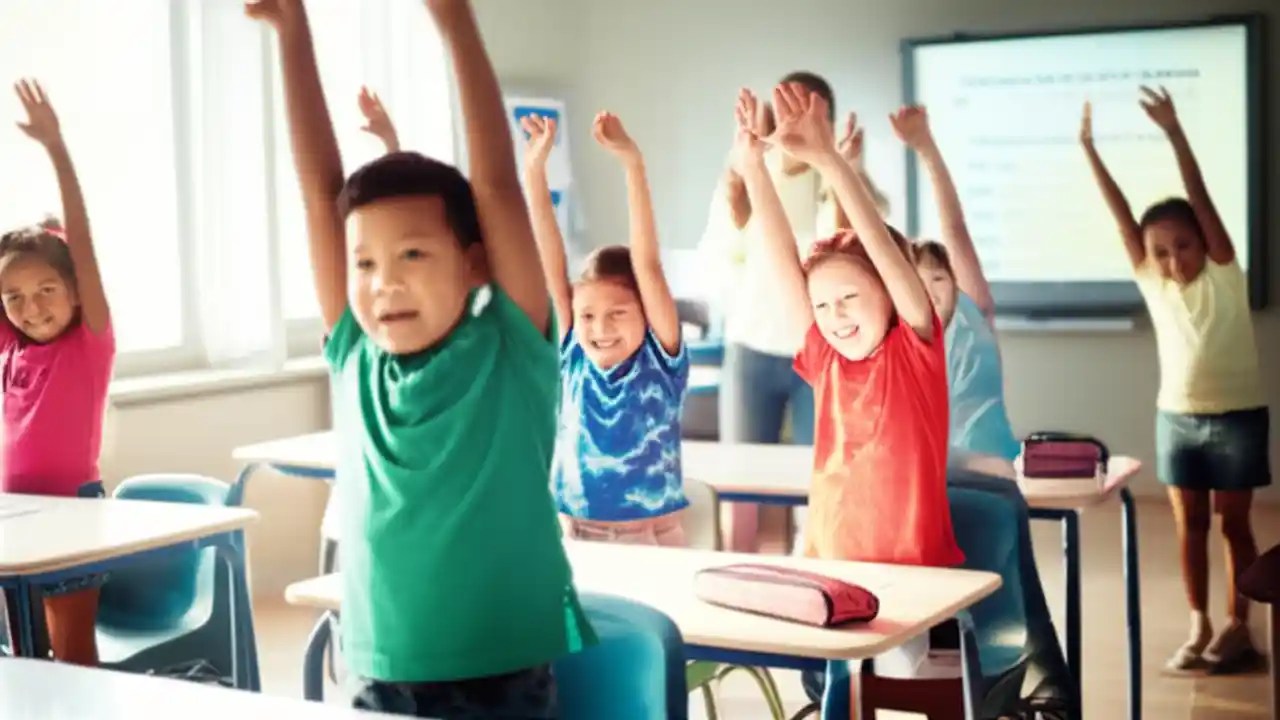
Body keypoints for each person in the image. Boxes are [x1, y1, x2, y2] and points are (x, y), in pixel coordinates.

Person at [246, 0, 594, 716]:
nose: (385, 282)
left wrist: (456, 23)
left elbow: (494, 185)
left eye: (412, 254)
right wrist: (292, 31)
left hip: (503, 670)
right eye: (366, 263)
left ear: (473, 265)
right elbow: (320, 194)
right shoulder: (352, 353)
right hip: (378, 668)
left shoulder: (510, 346)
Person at [889, 105, 1074, 713]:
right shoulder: (900, 342)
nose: (931, 292)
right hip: (933, 488)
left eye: (938, 279)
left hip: (990, 486)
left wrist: (925, 149)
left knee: (1011, 591)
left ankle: (1035, 689)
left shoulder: (972, 316)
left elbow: (955, 228)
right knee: (961, 604)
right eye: (917, 284)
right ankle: (1004, 690)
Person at [735, 82, 962, 568]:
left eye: (850, 298)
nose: (834, 315)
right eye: (822, 305)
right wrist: (754, 168)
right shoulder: (826, 358)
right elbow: (780, 260)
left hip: (910, 574)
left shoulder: (914, 350)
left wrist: (830, 162)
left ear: (890, 296)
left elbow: (880, 247)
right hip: (830, 560)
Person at [1082, 87, 1267, 673]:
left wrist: (1174, 131)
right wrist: (1088, 148)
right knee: (1188, 526)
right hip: (1178, 417)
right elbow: (1118, 213)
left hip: (1236, 415)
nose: (1173, 260)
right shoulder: (1153, 283)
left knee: (1233, 523)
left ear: (1205, 244)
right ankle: (1199, 624)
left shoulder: (1223, 274)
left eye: (1183, 246)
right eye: (1160, 251)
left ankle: (1239, 625)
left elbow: (1200, 198)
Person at [699, 71, 882, 552]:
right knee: (739, 484)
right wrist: (742, 175)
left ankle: (814, 575)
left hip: (817, 355)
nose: (792, 120)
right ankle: (736, 576)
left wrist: (843, 168)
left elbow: (839, 250)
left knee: (819, 477)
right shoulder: (749, 169)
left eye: (806, 110)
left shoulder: (840, 175)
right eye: (786, 108)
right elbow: (723, 249)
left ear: (825, 119)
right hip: (751, 348)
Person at [521, 112, 690, 546]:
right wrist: (534, 170)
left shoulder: (659, 359)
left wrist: (632, 164)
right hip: (572, 530)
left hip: (649, 534)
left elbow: (648, 267)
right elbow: (548, 257)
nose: (600, 328)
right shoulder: (572, 353)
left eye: (618, 313)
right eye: (589, 315)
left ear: (645, 314)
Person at [0, 79, 116, 666]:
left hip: (75, 512)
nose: (32, 307)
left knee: (73, 657)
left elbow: (84, 250)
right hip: (15, 517)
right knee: (21, 656)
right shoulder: (10, 346)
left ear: (74, 292)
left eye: (47, 290)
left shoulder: (87, 345)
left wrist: (57, 149)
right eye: (14, 297)